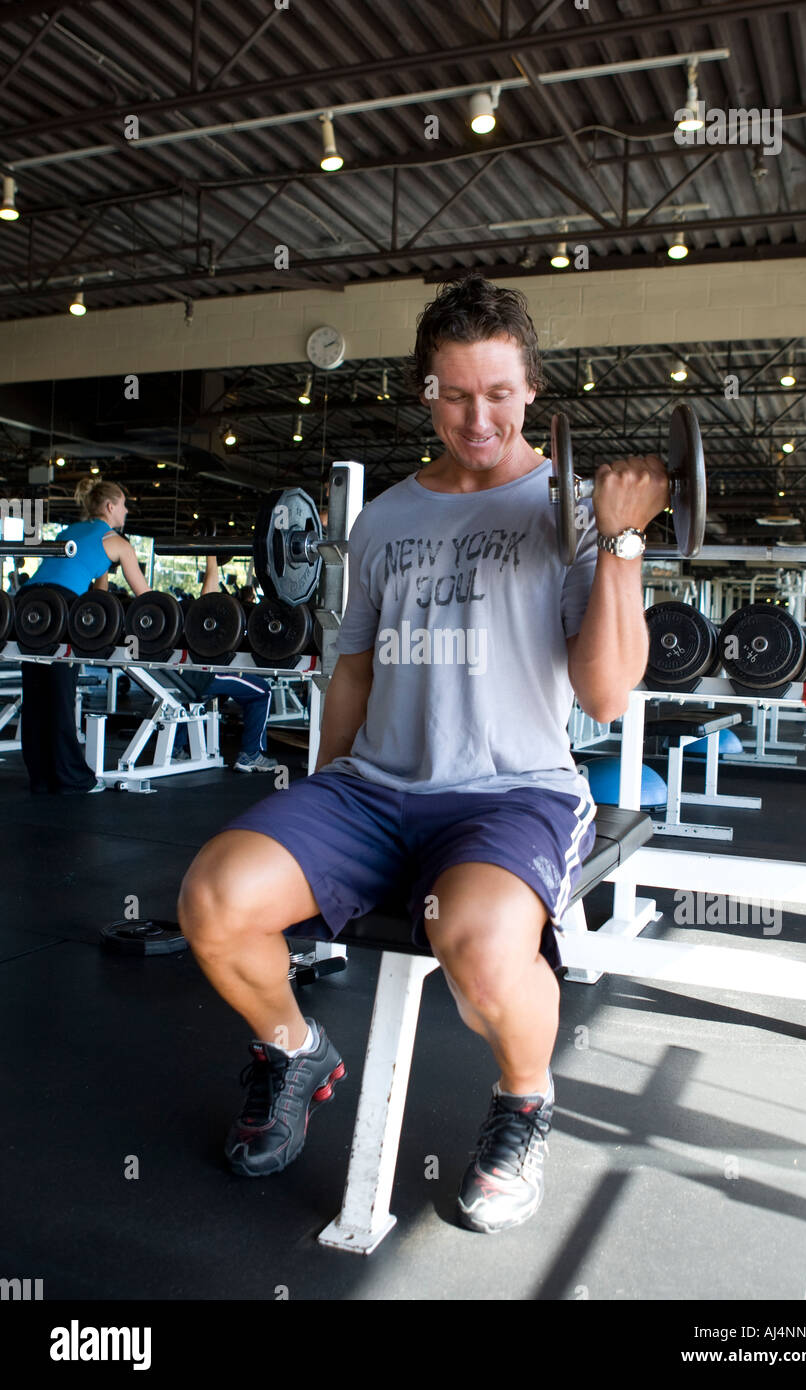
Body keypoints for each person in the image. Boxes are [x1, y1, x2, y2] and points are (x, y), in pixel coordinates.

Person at [177, 272, 666, 1234]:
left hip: (510, 793)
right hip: (370, 791)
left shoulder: (569, 511)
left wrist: (622, 546)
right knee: (215, 900)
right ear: (424, 392)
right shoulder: (386, 517)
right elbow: (350, 673)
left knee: (483, 950)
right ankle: (293, 1048)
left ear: (530, 391)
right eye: (453, 392)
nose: (475, 416)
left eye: (495, 392)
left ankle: (525, 1102)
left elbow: (606, 694)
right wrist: (316, 804)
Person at [18, 479, 150, 794]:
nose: (127, 510)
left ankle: (41, 776)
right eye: (123, 504)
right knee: (60, 695)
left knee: (36, 694)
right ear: (110, 507)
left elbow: (98, 594)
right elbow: (146, 598)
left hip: (27, 604)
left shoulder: (70, 531)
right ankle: (71, 779)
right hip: (61, 606)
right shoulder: (118, 542)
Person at [173, 557, 278, 773]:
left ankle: (175, 749)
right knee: (263, 691)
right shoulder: (200, 619)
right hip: (203, 676)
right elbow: (208, 596)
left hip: (176, 675)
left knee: (195, 695)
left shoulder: (177, 618)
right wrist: (212, 557)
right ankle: (251, 754)